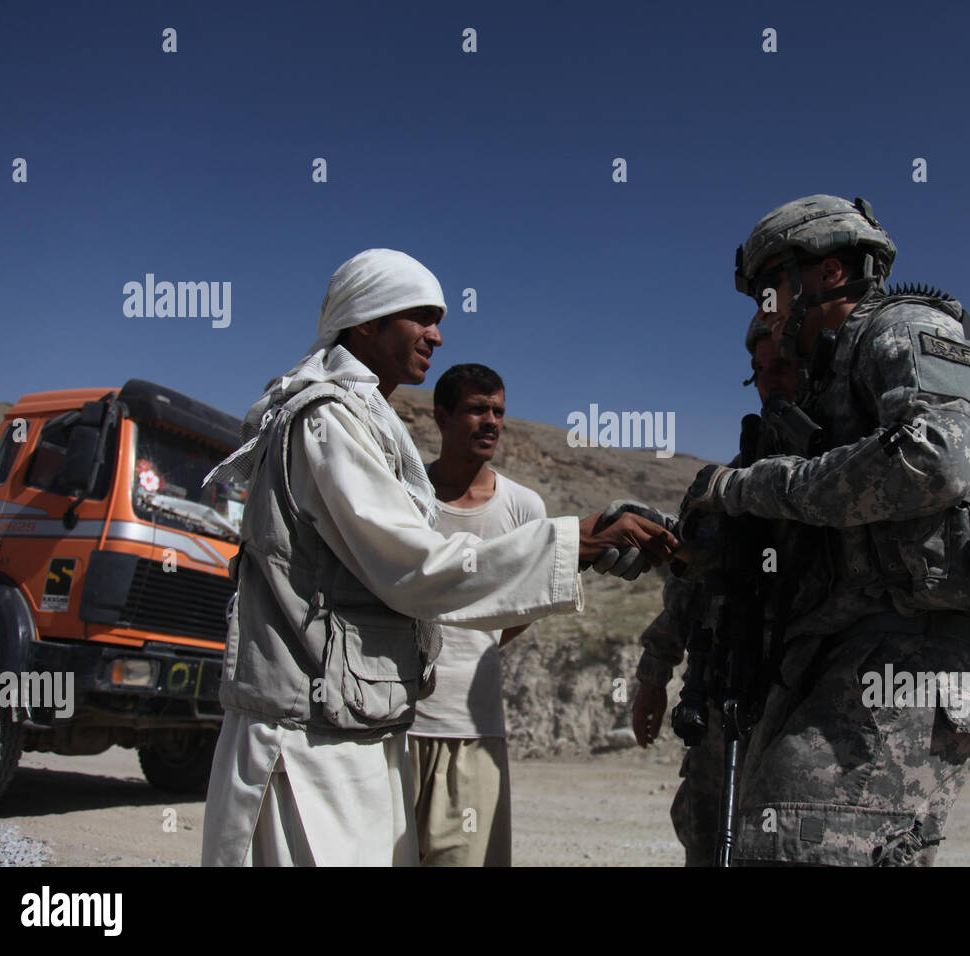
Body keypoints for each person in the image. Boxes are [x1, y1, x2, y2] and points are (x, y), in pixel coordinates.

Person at [199, 248, 676, 866]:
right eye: (420, 317)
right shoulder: (326, 422)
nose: (437, 334)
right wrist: (576, 540)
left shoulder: (364, 419)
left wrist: (574, 547)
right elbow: (413, 568)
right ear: (366, 322)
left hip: (349, 735)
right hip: (303, 749)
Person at [676, 195, 970, 866]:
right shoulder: (834, 369)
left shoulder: (902, 329)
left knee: (797, 848)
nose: (761, 313)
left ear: (827, 274)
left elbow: (935, 459)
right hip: (838, 653)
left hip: (905, 660)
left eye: (769, 291)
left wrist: (750, 487)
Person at [631, 317, 799, 866]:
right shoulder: (727, 487)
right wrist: (653, 679)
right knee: (707, 838)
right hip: (724, 688)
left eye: (783, 368)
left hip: (802, 703)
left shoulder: (842, 478)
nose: (771, 383)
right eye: (759, 373)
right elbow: (686, 589)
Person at [407, 363, 540, 866]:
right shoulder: (404, 495)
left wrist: (474, 639)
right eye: (476, 410)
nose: (491, 422)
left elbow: (529, 602)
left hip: (472, 727)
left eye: (498, 412)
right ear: (441, 417)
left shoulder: (523, 508)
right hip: (392, 726)